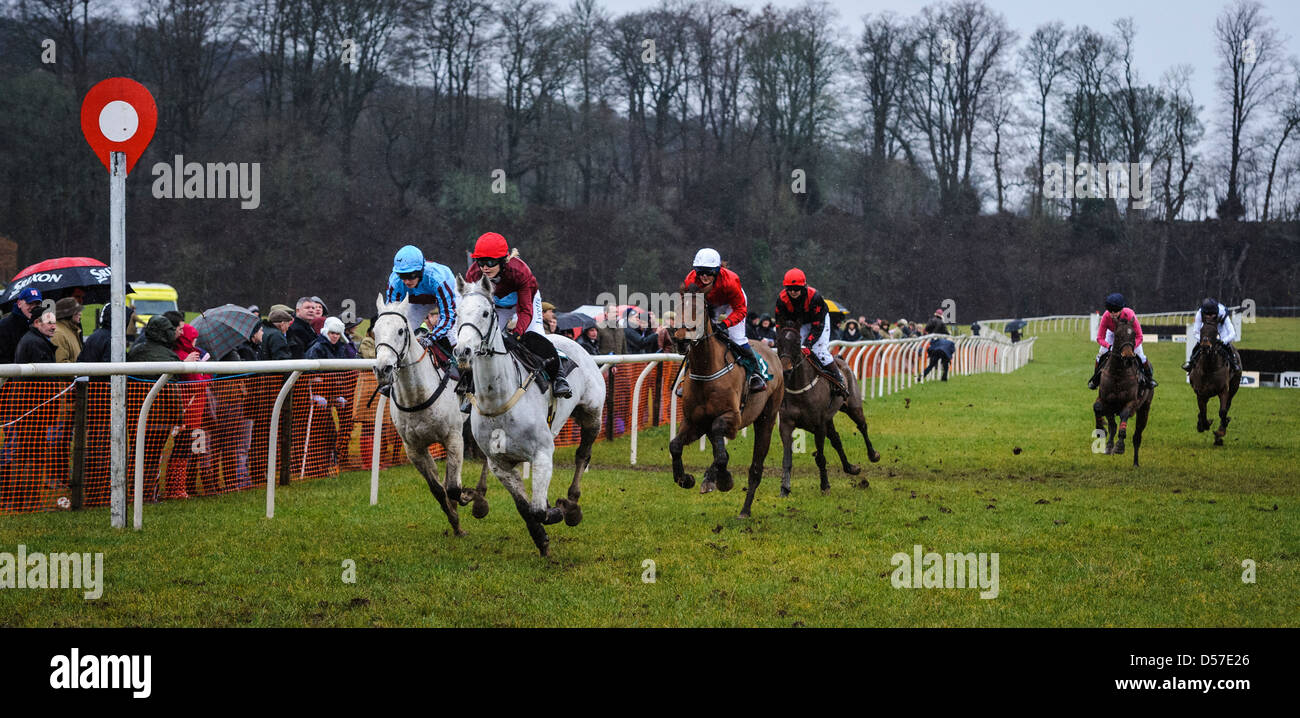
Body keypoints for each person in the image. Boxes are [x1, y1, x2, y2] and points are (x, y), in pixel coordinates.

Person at [463, 231, 572, 407]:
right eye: (481, 262)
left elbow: (525, 311)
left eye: (490, 262)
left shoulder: (520, 272)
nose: (484, 267)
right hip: (498, 304)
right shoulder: (473, 275)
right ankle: (473, 386)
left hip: (525, 300)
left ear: (503, 260)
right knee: (483, 340)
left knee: (535, 335)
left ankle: (559, 377)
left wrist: (517, 335)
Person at [680, 247, 765, 392]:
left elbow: (740, 310)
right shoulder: (691, 280)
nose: (704, 277)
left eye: (709, 272)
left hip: (732, 303)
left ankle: (755, 374)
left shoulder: (731, 281)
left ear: (717, 271)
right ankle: (686, 376)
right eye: (701, 272)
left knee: (736, 337)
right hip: (710, 303)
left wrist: (725, 325)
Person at [774, 268, 847, 397]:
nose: (793, 292)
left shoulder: (815, 297)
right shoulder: (781, 299)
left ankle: (838, 380)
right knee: (789, 350)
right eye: (789, 288)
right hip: (799, 322)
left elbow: (817, 326)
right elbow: (780, 324)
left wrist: (808, 344)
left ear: (803, 287)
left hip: (818, 321)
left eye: (796, 289)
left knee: (819, 351)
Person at [385, 245, 459, 357]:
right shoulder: (395, 282)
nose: (406, 281)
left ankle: (464, 369)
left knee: (452, 336)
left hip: (446, 295)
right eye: (402, 275)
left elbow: (448, 315)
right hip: (417, 300)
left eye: (410, 275)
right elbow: (391, 317)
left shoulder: (438, 279)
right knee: (404, 332)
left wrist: (432, 337)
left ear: (421, 271)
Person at [1088, 292, 1157, 390]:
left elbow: (1140, 336)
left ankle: (1149, 379)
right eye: (1110, 311)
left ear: (1121, 309)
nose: (1113, 314)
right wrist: (1109, 347)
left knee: (1141, 357)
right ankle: (1095, 380)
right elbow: (1099, 338)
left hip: (1129, 336)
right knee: (1100, 355)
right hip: (1112, 334)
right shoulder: (1106, 317)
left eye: (1115, 311)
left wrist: (1132, 347)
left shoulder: (1129, 314)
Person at [1183, 297, 1240, 373]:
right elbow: (1196, 332)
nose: (1210, 317)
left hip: (1221, 330)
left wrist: (1223, 341)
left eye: (1212, 315)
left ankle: (1234, 364)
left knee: (1228, 347)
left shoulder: (1222, 312)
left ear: (1216, 312)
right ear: (1204, 313)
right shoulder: (1199, 314)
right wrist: (1202, 339)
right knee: (1197, 347)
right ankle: (1190, 363)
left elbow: (1232, 333)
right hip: (1207, 331)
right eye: (1207, 315)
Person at [0, 288, 43, 362]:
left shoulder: (40, 324)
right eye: (30, 303)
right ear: (19, 303)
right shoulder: (4, 326)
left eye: (37, 304)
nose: (33, 307)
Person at [50, 298, 84, 363]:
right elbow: (61, 364)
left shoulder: (72, 330)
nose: (80, 314)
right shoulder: (58, 334)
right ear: (68, 314)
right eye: (77, 311)